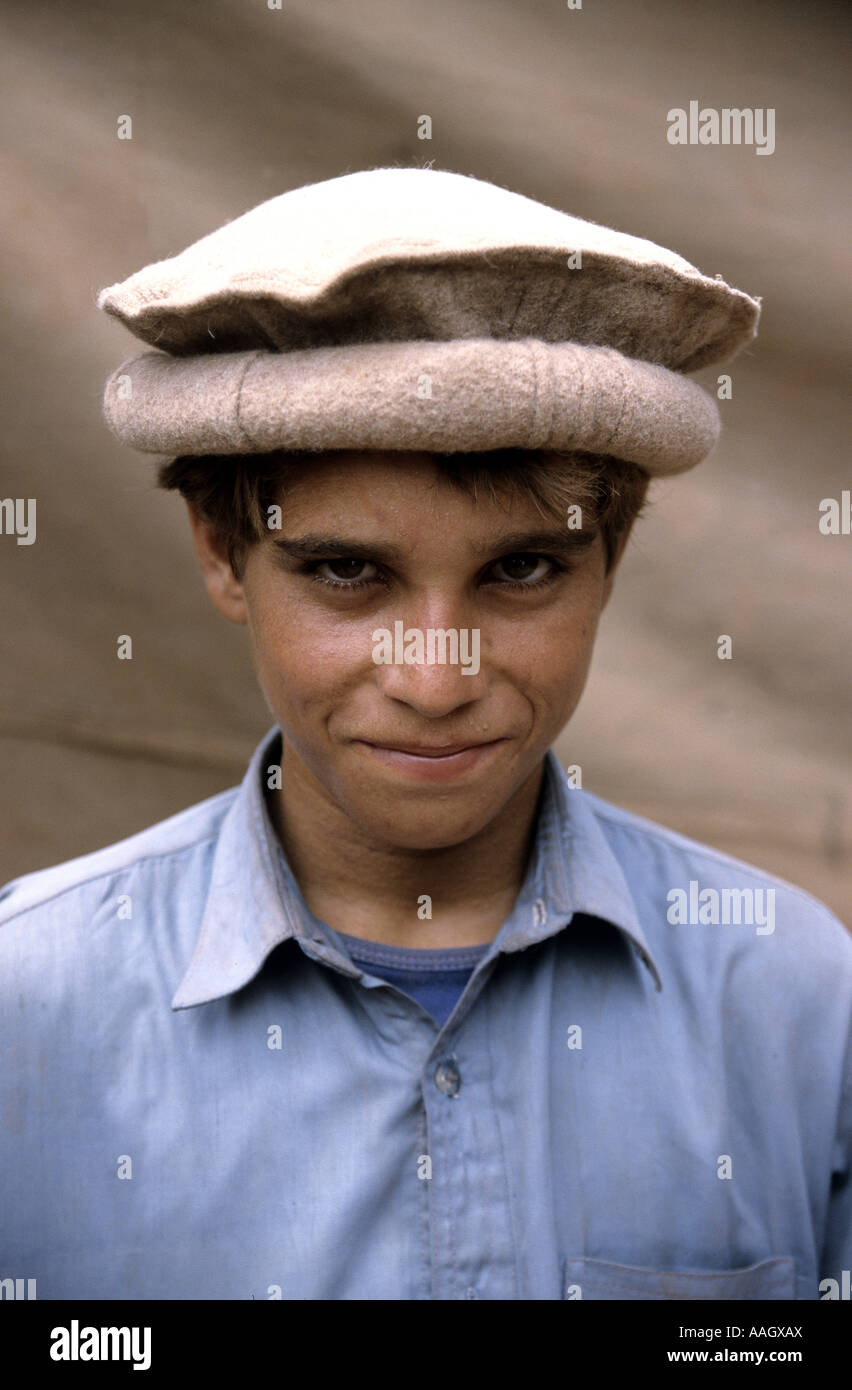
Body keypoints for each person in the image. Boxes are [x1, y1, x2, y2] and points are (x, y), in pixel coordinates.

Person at [1, 167, 848, 1301]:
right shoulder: (29, 1005)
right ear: (221, 552)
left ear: (613, 561)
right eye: (347, 571)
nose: (437, 680)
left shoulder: (797, 998)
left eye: (522, 570)